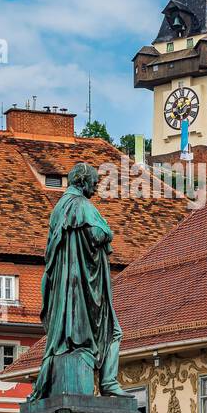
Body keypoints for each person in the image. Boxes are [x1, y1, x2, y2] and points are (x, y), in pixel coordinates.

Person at [31, 162, 127, 400]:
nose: (95, 189)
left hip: (68, 289)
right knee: (113, 332)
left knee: (106, 333)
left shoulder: (60, 208)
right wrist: (108, 233)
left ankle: (108, 382)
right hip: (86, 287)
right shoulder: (82, 205)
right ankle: (108, 382)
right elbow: (96, 234)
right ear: (83, 182)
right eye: (94, 183)